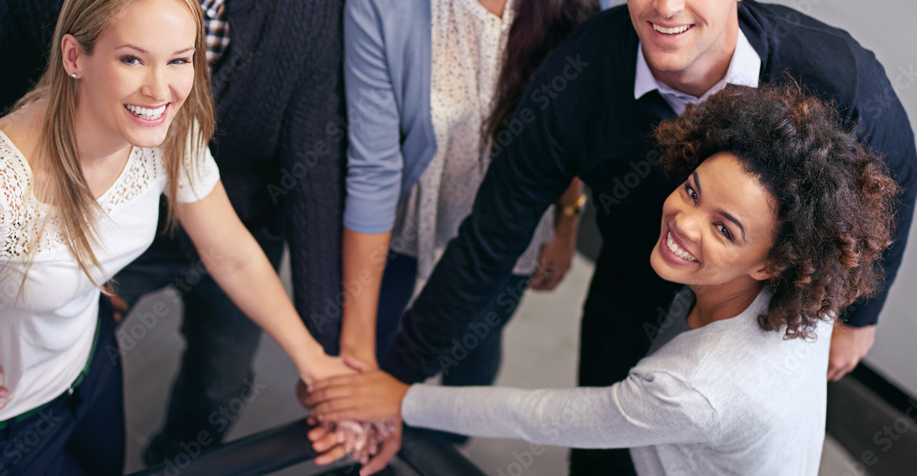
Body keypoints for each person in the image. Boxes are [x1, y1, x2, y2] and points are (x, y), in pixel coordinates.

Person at [373, 0, 917, 475]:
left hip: (765, 310)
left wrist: (858, 319)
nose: (667, 4)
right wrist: (393, 383)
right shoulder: (578, 77)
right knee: (604, 456)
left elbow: (898, 168)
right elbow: (490, 242)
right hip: (634, 279)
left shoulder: (835, 74)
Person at [0, 0, 345, 466]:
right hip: (89, 224)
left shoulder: (302, 11)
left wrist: (325, 356)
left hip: (238, 222)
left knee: (219, 386)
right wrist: (62, 236)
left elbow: (308, 184)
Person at [306, 83, 899, 476]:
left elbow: (543, 416)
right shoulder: (807, 293)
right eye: (691, 192)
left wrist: (404, 399)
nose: (682, 225)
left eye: (723, 229)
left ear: (771, 263)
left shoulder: (693, 384)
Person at [337, 0, 614, 433]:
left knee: (470, 366)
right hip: (400, 214)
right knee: (371, 361)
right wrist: (354, 350)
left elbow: (577, 135)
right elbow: (376, 169)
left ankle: (445, 447)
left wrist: (566, 225)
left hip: (508, 225)